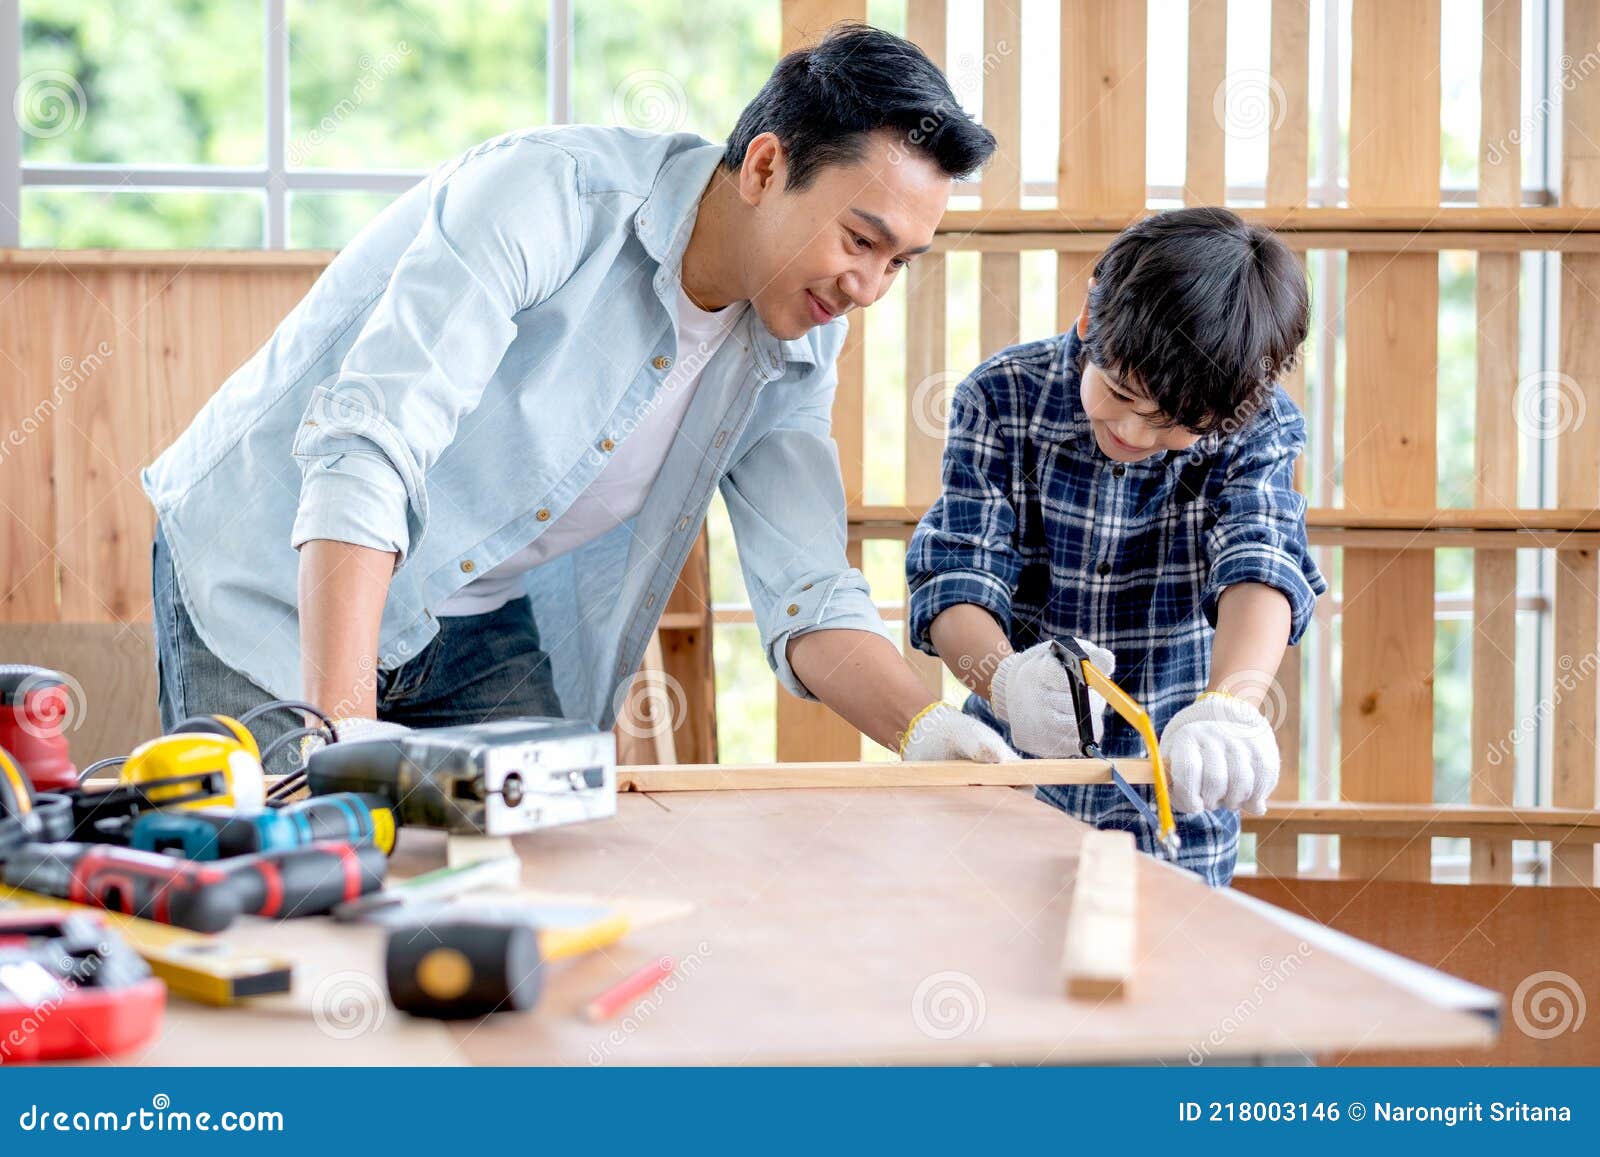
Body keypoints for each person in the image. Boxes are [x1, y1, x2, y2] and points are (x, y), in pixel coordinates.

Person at [143, 24, 1015, 771]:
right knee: (305, 868)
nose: (869, 288)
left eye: (898, 263)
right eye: (860, 241)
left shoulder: (798, 339)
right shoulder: (550, 197)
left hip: (469, 618)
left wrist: (930, 730)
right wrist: (346, 742)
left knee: (545, 857)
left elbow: (809, 588)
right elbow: (366, 448)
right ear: (763, 166)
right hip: (273, 574)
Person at [905, 207, 1327, 886]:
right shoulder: (1000, 397)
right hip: (1008, 783)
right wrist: (1006, 683)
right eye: (1120, 392)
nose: (1132, 431)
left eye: (1172, 423)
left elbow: (1262, 561)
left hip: (1176, 795)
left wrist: (1231, 706)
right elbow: (958, 575)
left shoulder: (1257, 426)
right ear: (1089, 315)